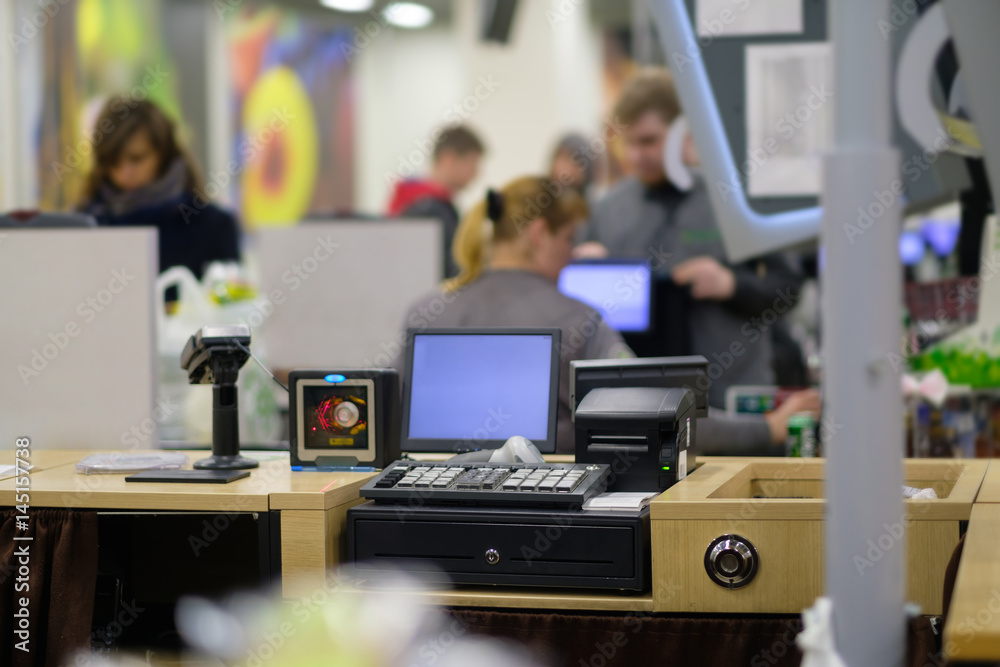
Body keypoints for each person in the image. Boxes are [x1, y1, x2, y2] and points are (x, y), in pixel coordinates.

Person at [578, 68, 804, 409]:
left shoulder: (735, 200)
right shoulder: (610, 209)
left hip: (729, 402)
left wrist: (731, 284)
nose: (637, 155)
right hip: (640, 404)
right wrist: (584, 274)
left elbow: (788, 287)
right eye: (629, 142)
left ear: (684, 131)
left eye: (649, 141)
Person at [395, 176, 630, 453]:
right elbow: (635, 405)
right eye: (568, 239)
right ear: (539, 234)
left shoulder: (424, 311)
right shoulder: (581, 318)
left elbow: (390, 406)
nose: (571, 255)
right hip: (546, 489)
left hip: (435, 486)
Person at [79, 96, 241, 281]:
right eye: (112, 161)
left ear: (163, 154)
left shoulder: (214, 227)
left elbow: (232, 301)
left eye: (136, 158)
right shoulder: (84, 227)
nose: (124, 173)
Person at [387, 125, 485, 279]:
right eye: (472, 162)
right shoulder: (430, 209)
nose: (476, 173)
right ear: (448, 158)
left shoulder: (416, 201)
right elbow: (447, 271)